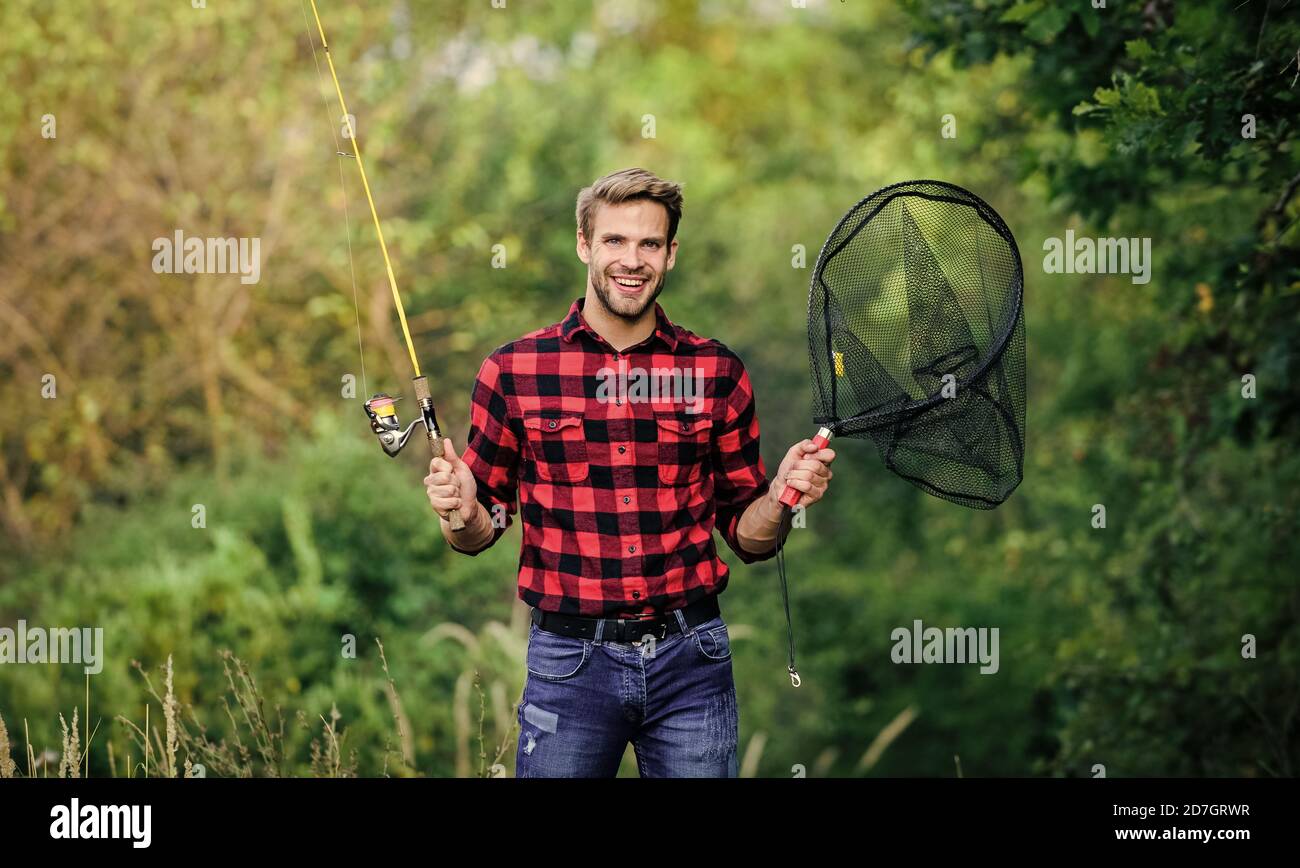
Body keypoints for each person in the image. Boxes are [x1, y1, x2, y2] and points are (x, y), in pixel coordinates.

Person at [424, 167, 835, 777]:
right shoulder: (514, 370)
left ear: (671, 253)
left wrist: (779, 498)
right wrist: (460, 512)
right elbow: (481, 528)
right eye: (615, 240)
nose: (632, 260)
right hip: (568, 664)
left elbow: (749, 538)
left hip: (692, 661)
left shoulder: (716, 372)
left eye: (649, 243)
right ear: (585, 244)